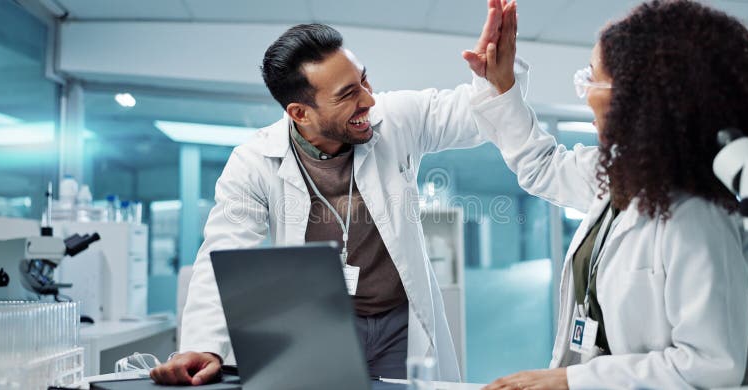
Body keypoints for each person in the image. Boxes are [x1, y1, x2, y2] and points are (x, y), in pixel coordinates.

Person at [151, 2, 527, 385]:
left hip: (400, 324)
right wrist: (202, 344)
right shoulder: (253, 161)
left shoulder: (396, 120)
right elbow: (223, 251)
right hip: (322, 327)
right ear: (300, 113)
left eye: (364, 80)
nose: (368, 100)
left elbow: (476, 115)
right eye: (348, 94)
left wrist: (498, 77)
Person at [466, 0, 748, 389]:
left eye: (592, 79)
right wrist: (503, 86)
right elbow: (541, 165)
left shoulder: (697, 216)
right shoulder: (626, 176)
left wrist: (571, 380)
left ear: (638, 98)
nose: (586, 93)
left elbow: (711, 365)